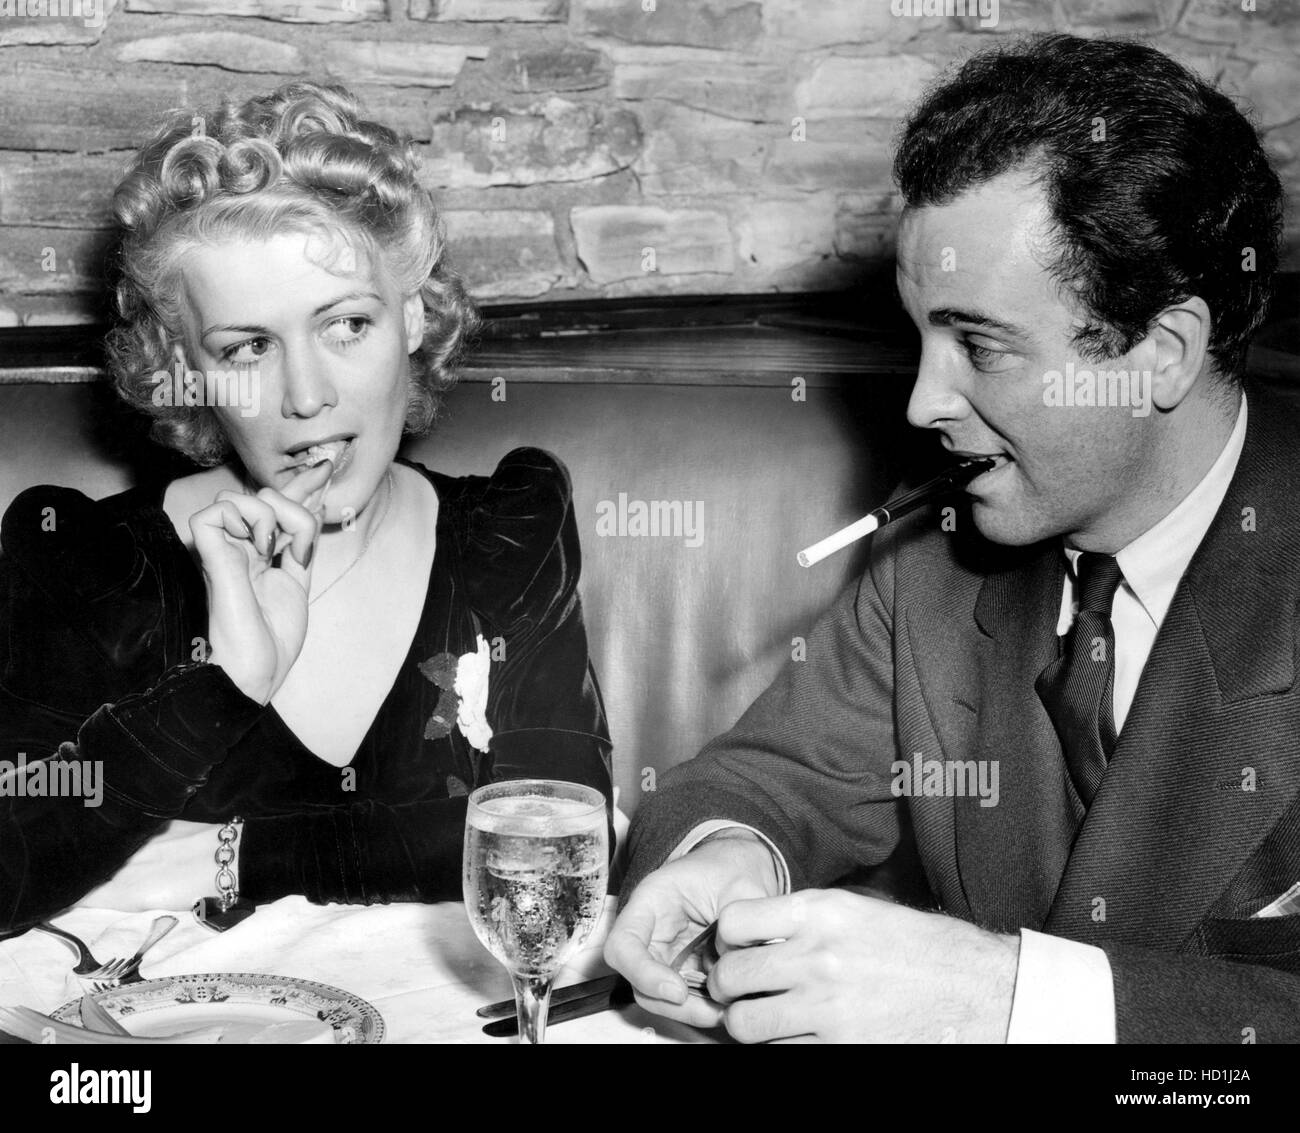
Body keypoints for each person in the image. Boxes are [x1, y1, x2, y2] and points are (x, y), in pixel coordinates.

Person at [606, 33, 1300, 1043]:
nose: (927, 400)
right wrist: (727, 852)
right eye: (918, 334)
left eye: (979, 345)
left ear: (1159, 352)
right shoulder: (933, 560)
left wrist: (1001, 994)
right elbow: (765, 778)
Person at [0, 81, 612, 937]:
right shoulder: (93, 561)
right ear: (185, 364)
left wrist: (225, 855)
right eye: (249, 346)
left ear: (411, 316)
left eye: (346, 326)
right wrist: (229, 682)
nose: (307, 397)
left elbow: (568, 842)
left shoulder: (509, 532)